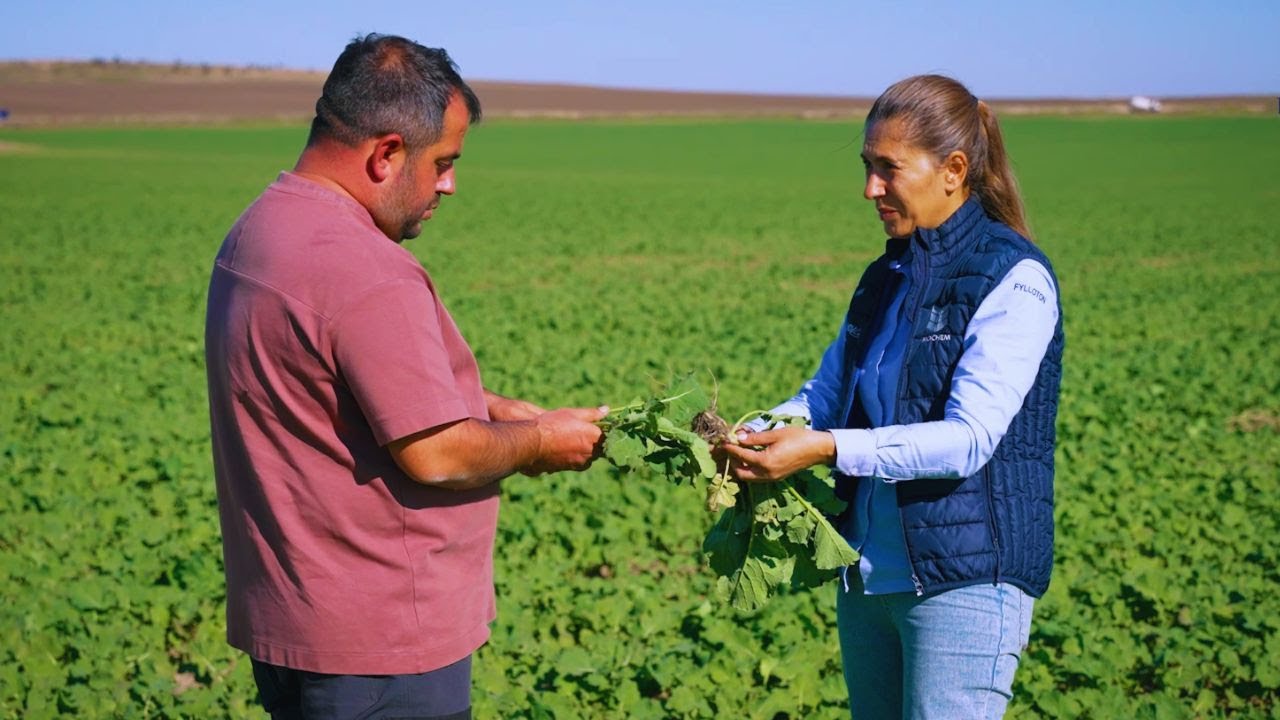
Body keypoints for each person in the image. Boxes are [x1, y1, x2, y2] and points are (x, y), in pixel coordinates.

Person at [204, 34, 606, 720]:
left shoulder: (262, 229)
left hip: (291, 618)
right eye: (443, 162)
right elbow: (438, 452)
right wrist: (540, 441)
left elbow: (338, 383)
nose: (449, 185)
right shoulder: (365, 268)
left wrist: (491, 407)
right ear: (386, 153)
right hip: (382, 646)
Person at [723, 74, 1064, 719]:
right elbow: (826, 394)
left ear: (953, 171)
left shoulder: (1014, 278)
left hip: (963, 583)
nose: (870, 189)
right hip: (868, 576)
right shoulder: (887, 276)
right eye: (867, 166)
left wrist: (824, 448)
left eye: (889, 168)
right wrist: (754, 432)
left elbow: (969, 439)